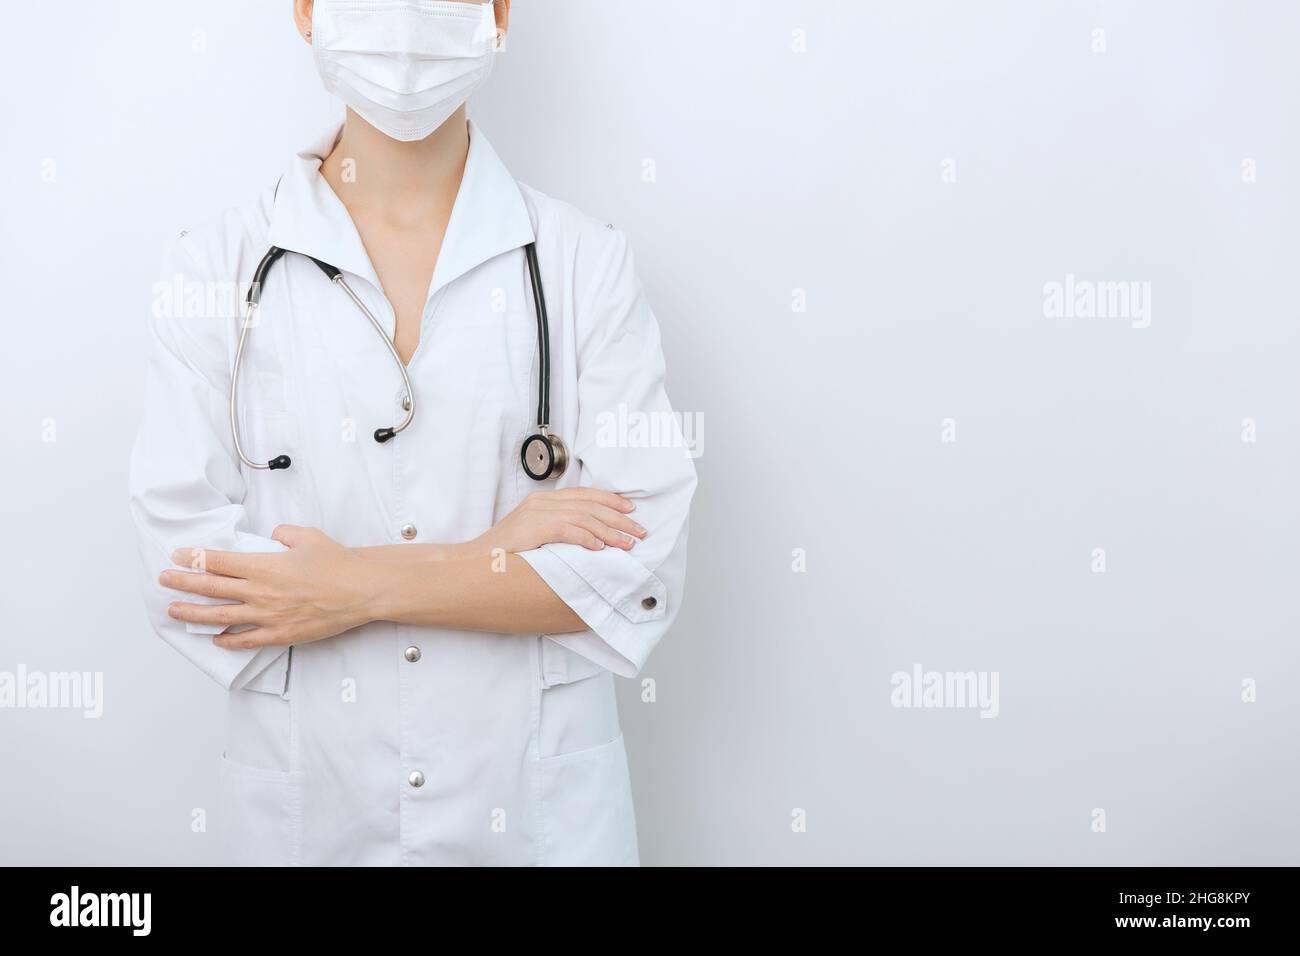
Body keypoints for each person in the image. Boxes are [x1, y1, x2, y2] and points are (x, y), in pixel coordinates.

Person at [129, 0, 696, 866]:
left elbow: (638, 570)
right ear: (307, 11)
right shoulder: (213, 270)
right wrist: (499, 554)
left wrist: (346, 586)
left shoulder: (585, 264)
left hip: (536, 820)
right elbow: (188, 579)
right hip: (311, 817)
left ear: (497, 13)